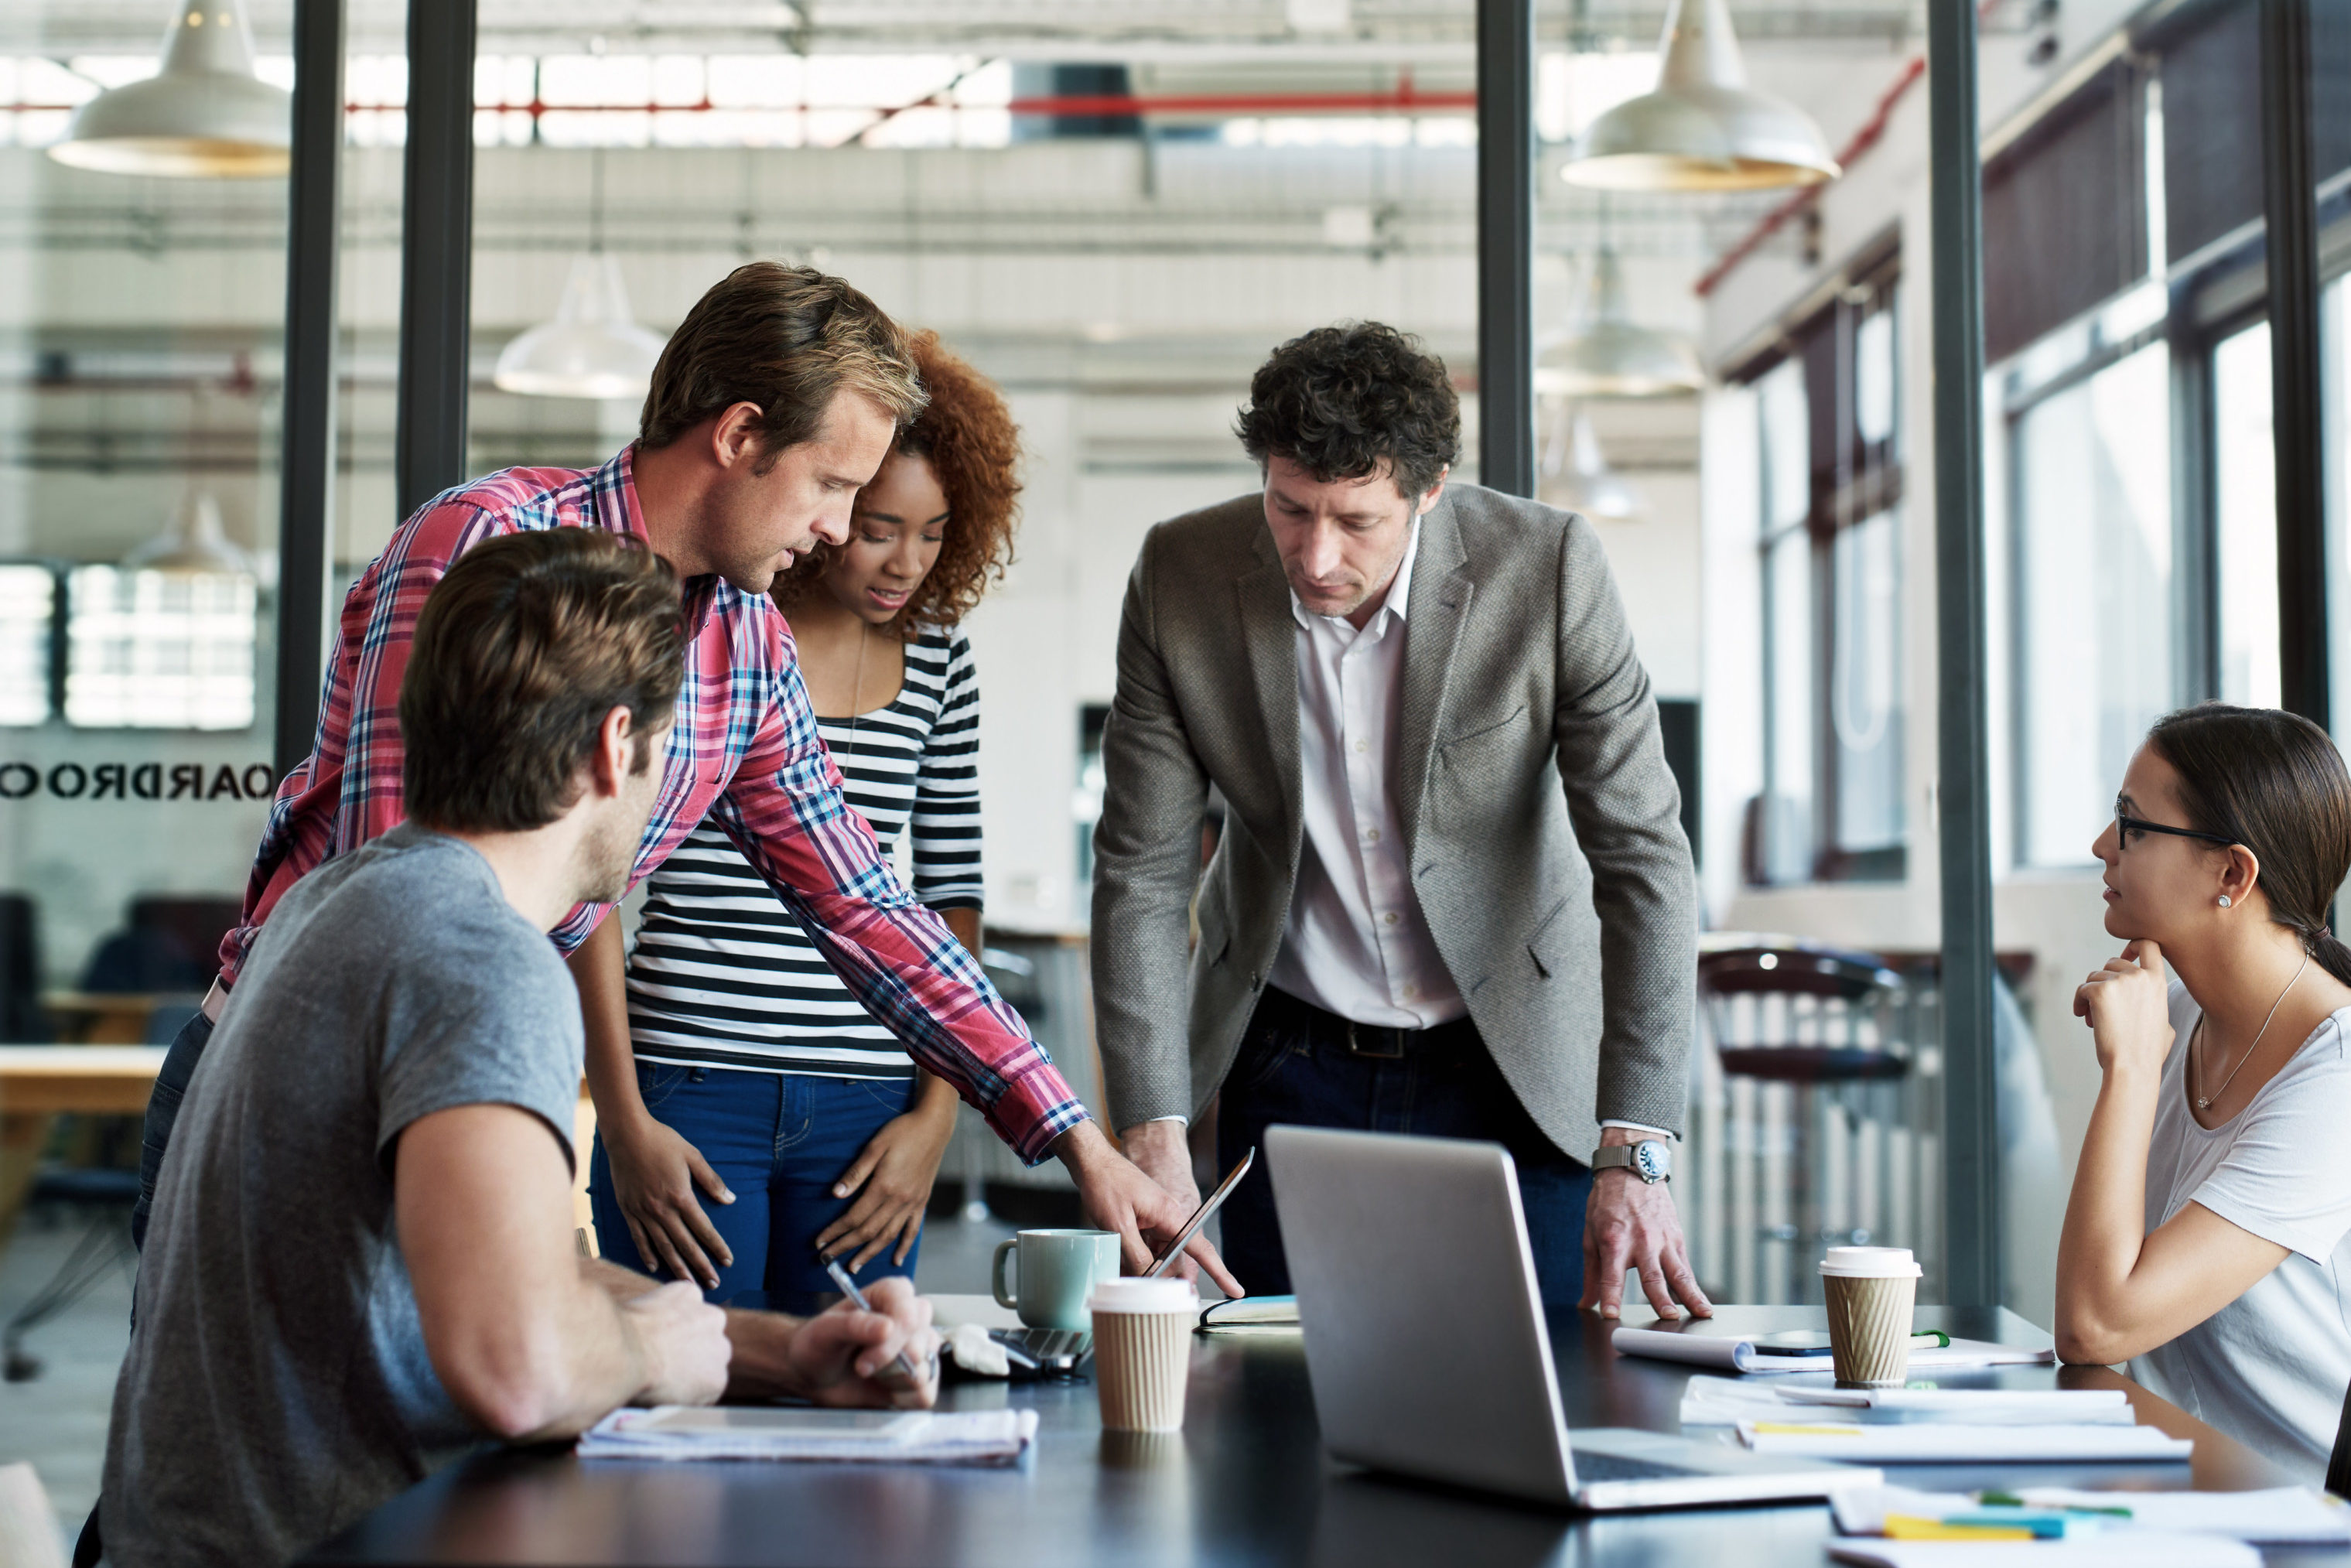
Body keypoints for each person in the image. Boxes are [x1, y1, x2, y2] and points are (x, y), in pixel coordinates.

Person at [132, 261, 1236, 1296]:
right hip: (295, 1084)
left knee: (439, 1483)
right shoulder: (486, 544)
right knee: (220, 1485)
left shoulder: (743, 636)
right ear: (741, 434)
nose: (839, 528)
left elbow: (864, 901)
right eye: (831, 483)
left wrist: (1074, 1137)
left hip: (465, 1097)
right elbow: (398, 897)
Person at [101, 532, 941, 1568]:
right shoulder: (480, 959)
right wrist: (652, 1352)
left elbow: (510, 1273)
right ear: (613, 743)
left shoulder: (347, 898)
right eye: (668, 747)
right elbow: (516, 1364)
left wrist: (778, 1351)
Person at [1092, 322, 1709, 1317]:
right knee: (1283, 1410)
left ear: (1430, 490)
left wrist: (1636, 1140)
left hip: (1515, 1063)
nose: (1318, 554)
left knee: (1536, 1405)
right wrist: (1152, 1124)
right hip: (1290, 1063)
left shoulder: (1547, 570)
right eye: (1290, 508)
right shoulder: (1181, 575)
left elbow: (1644, 858)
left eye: (1357, 520)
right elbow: (1141, 871)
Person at [599, 331, 1020, 1300]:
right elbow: (594, 882)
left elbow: (944, 895)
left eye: (933, 530)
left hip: (870, 1108)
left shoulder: (942, 667)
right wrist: (621, 1117)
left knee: (861, 1395)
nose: (902, 560)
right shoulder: (714, 630)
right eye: (873, 521)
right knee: (682, 1398)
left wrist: (934, 1120)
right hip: (692, 1083)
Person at [2058, 702, 2351, 1478]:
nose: (2101, 847)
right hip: (2169, 1489)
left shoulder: (2338, 1079)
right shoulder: (2179, 1011)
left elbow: (2094, 1323)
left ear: (2232, 872)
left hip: (2301, 1524)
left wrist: (2128, 1071)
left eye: (2133, 825)